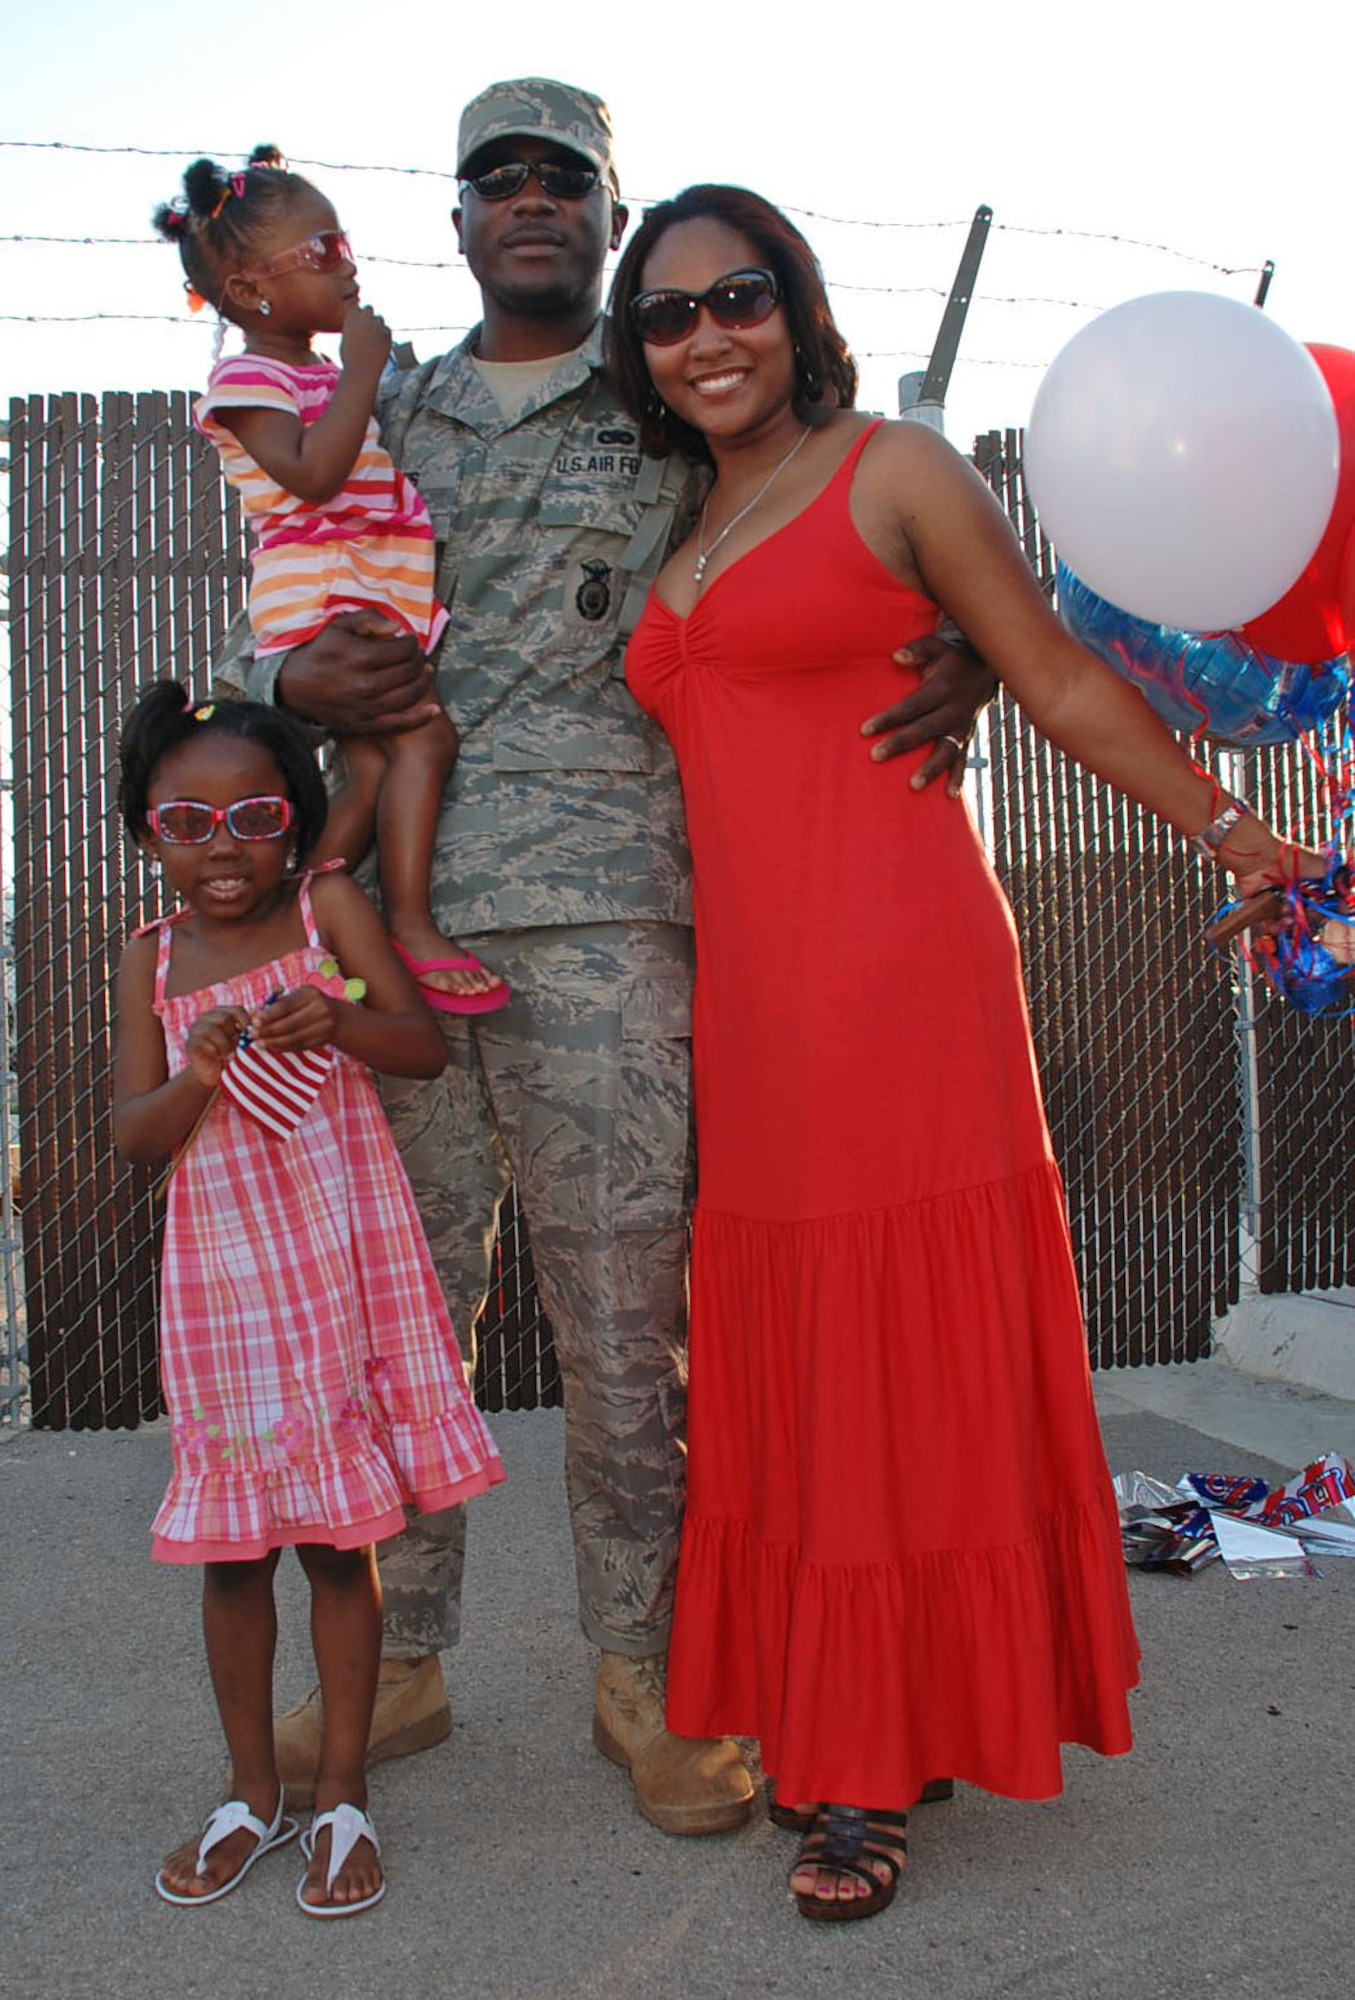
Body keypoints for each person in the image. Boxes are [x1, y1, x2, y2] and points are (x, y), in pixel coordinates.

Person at [214, 78, 995, 1837]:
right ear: (457, 217)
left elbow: (838, 526)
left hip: (607, 920)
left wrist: (960, 641)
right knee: (393, 1311)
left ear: (608, 212)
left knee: (628, 1332)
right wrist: (276, 684)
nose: (530, 200)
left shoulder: (671, 402)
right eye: (497, 177)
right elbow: (281, 579)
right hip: (386, 930)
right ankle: (401, 1658)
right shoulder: (377, 406)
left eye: (563, 178)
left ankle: (646, 1675)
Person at [605, 182, 1324, 1919]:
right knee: (807, 1350)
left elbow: (1052, 674)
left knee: (884, 1348)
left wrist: (1234, 833)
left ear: (799, 307)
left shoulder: (894, 471)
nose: (707, 335)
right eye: (670, 314)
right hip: (757, 1011)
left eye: (739, 295)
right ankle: (870, 1703)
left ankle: (863, 1765)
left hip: (896, 972)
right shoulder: (684, 522)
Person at [112, 685, 503, 1914]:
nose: (222, 845)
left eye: (255, 816)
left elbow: (419, 1044)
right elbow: (134, 1134)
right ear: (147, 832)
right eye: (187, 822)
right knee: (233, 1553)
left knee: (340, 1540)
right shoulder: (149, 957)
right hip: (220, 1282)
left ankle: (340, 1794)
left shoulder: (326, 906)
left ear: (296, 819)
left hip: (337, 1258)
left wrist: (335, 1018)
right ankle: (251, 1794)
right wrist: (201, 1071)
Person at [154, 147, 507, 1015]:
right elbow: (311, 476)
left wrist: (351, 373)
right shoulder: (247, 378)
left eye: (343, 243)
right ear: (250, 292)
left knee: (375, 767)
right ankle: (410, 923)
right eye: (322, 251)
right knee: (422, 740)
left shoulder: (312, 371)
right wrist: (362, 370)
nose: (347, 264)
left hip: (358, 574)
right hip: (326, 582)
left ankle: (294, 912)